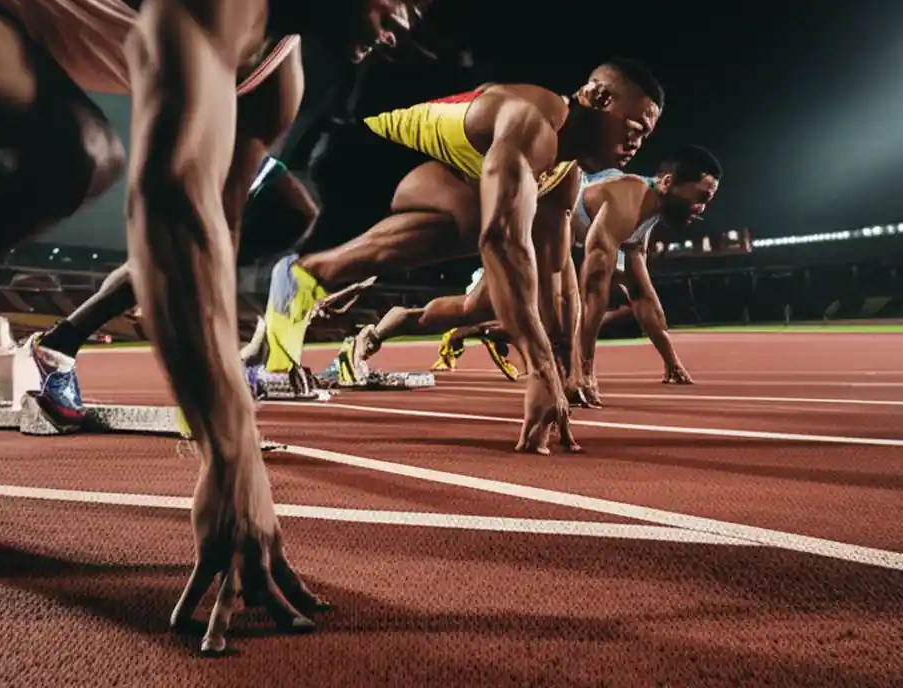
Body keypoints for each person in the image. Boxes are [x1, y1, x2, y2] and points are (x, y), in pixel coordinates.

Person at [0, 0, 441, 649]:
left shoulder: (273, 85)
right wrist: (231, 460)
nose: (406, 19)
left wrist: (217, 410)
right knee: (78, 150)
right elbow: (168, 204)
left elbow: (205, 240)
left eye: (420, 5)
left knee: (83, 159)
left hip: (1, 38)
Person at [264, 59, 665, 455]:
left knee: (496, 237)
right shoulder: (534, 121)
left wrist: (567, 368)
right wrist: (541, 370)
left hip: (414, 177)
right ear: (597, 96)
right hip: (350, 149)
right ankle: (275, 303)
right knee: (492, 223)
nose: (636, 144)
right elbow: (502, 240)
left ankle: (302, 281)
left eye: (645, 138)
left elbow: (555, 274)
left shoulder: (565, 175)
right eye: (634, 129)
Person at [29, 155, 319, 426]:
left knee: (295, 213)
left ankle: (64, 342)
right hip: (207, 122)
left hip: (239, 129)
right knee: (194, 236)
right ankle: (62, 344)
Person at [571, 146, 721, 405]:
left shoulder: (649, 212)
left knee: (635, 285)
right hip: (548, 212)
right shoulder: (626, 201)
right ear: (668, 182)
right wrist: (584, 373)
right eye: (700, 197)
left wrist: (672, 363)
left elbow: (643, 296)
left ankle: (491, 329)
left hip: (579, 225)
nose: (700, 209)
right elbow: (593, 290)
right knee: (577, 292)